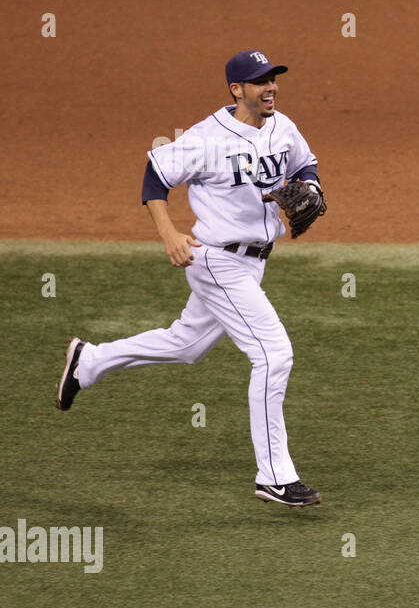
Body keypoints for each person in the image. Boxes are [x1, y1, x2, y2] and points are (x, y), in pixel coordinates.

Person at [55, 50, 327, 508]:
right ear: (236, 90)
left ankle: (90, 361)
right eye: (260, 82)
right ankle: (275, 477)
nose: (271, 88)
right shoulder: (206, 139)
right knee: (274, 354)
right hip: (217, 261)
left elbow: (305, 165)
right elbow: (155, 177)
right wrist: (169, 235)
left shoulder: (284, 127)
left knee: (187, 345)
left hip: (253, 263)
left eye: (274, 79)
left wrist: (313, 186)